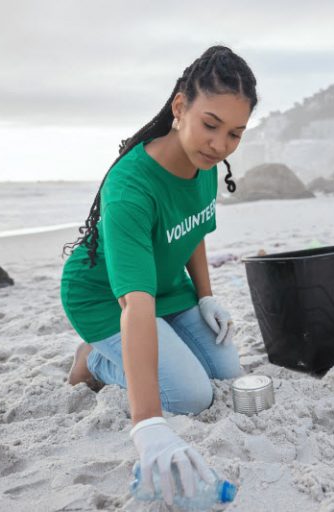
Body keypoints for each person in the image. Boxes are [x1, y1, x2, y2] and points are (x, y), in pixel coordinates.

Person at [60, 46, 256, 506]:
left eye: (235, 134)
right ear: (179, 107)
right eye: (211, 125)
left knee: (228, 372)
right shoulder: (131, 189)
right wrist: (147, 425)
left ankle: (156, 347)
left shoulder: (204, 165)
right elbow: (135, 307)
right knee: (190, 396)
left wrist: (206, 297)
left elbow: (193, 230)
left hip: (170, 288)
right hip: (108, 299)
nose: (220, 144)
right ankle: (95, 361)